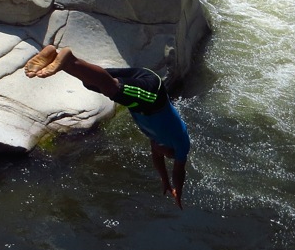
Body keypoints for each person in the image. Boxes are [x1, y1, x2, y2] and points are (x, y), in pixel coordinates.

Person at [25, 45, 190, 208]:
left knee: (92, 83)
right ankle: (67, 58)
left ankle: (56, 57)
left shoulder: (157, 141)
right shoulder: (181, 142)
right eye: (166, 154)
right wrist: (179, 190)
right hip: (153, 97)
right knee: (113, 89)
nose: (159, 153)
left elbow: (158, 160)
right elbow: (178, 171)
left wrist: (164, 181)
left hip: (145, 80)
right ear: (171, 150)